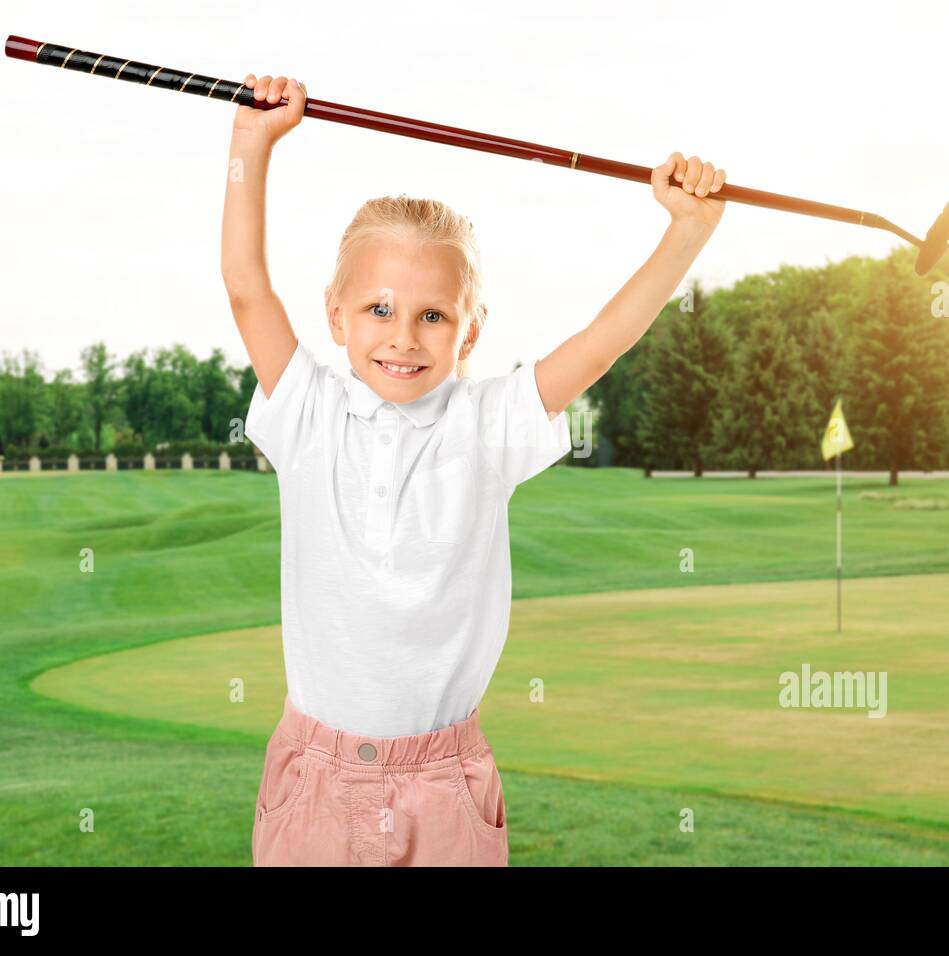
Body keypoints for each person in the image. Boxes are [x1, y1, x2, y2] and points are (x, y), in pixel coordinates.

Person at [222, 72, 726, 866]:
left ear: (472, 329)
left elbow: (602, 342)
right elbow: (248, 290)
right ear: (335, 317)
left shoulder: (491, 424)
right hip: (314, 780)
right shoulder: (307, 411)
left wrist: (686, 234)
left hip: (445, 784)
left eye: (434, 315)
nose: (404, 337)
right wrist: (252, 142)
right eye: (379, 309)